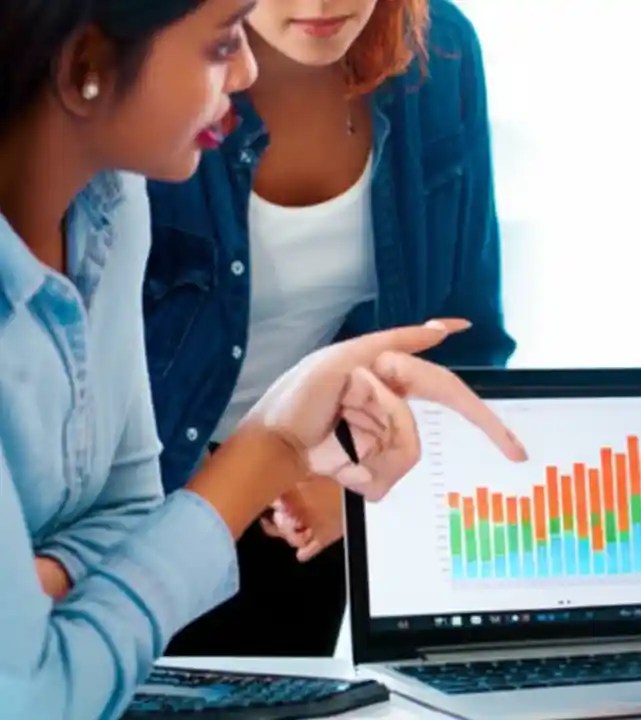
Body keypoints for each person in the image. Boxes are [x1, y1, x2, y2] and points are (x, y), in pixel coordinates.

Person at [0, 1, 523, 717]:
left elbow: (124, 510)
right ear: (87, 64)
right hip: (209, 497)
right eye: (221, 45)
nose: (242, 69)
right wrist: (268, 450)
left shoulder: (112, 209)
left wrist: (50, 580)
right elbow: (36, 692)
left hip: (279, 521)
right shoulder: (126, 155)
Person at [144, 0, 513, 656]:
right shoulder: (144, 54)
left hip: (307, 520)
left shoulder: (441, 51)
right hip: (133, 523)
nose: (319, 6)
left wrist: (349, 474)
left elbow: (467, 339)